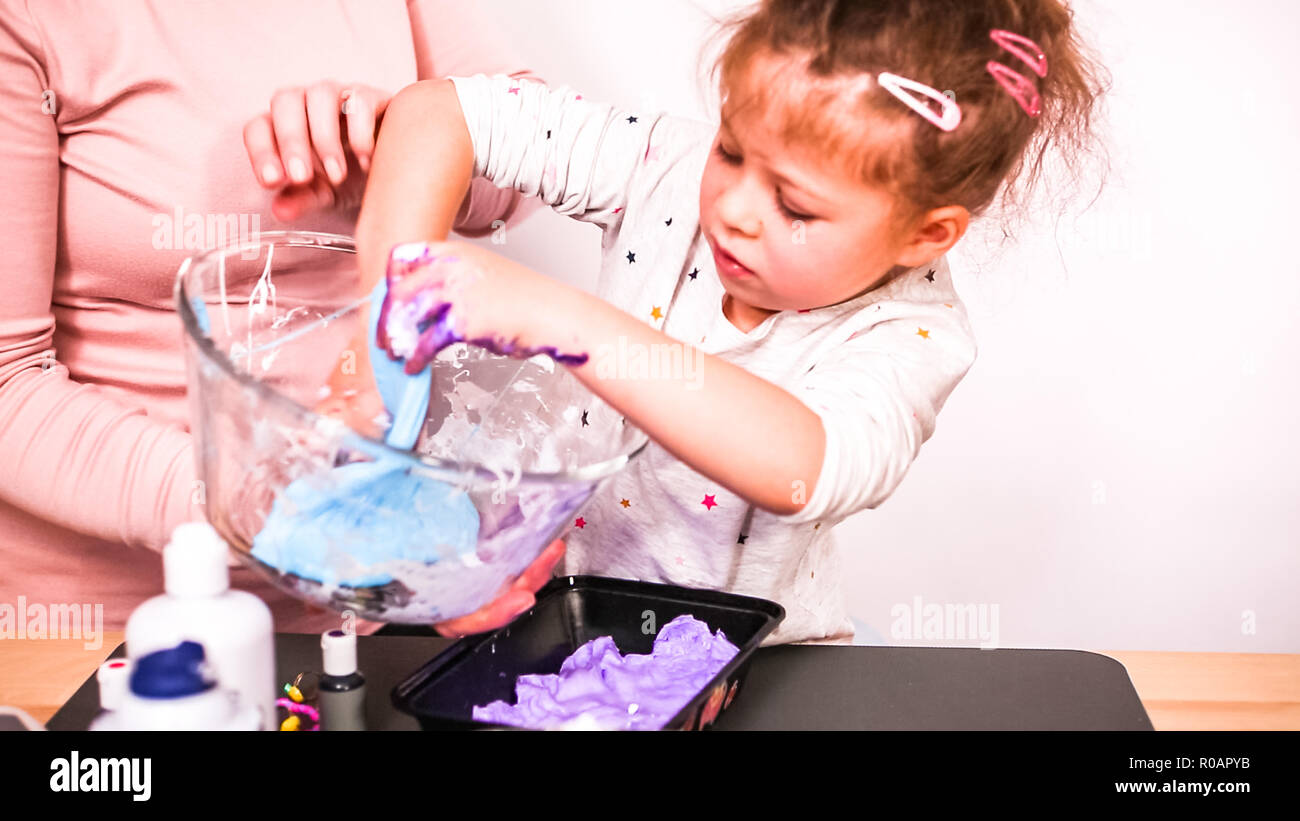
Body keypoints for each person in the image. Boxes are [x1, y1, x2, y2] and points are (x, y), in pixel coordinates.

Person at [354, 0, 1109, 645]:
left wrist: (559, 318)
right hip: (567, 627)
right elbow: (441, 110)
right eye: (732, 148)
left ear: (925, 234)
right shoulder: (666, 168)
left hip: (761, 667)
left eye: (796, 206)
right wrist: (385, 319)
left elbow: (803, 467)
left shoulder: (913, 332)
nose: (736, 208)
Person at [0, 0, 550, 635]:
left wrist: (403, 144)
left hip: (364, 592)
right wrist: (281, 512)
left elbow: (522, 167)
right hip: (105, 634)